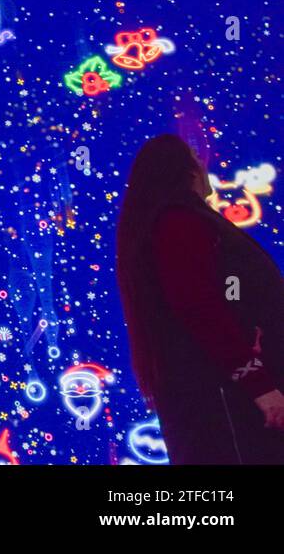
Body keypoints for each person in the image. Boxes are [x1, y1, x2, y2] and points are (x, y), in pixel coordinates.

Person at [116, 133, 284, 464]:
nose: (203, 164)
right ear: (184, 170)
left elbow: (226, 291)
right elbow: (199, 305)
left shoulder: (180, 222)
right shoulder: (177, 223)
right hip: (224, 399)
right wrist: (258, 384)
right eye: (195, 158)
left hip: (223, 392)